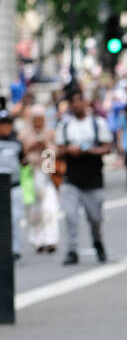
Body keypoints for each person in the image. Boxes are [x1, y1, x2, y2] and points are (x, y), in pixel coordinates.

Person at [54, 87, 113, 264]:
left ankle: (97, 242)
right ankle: (71, 251)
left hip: (93, 179)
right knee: (70, 216)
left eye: (79, 100)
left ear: (85, 102)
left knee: (95, 218)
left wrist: (88, 150)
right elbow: (56, 151)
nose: (77, 105)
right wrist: (68, 150)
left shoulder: (97, 123)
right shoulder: (64, 125)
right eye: (73, 102)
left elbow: (107, 147)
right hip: (71, 179)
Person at [20, 104, 61, 254]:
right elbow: (21, 155)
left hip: (46, 174)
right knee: (34, 212)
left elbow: (53, 153)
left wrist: (44, 145)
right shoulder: (24, 134)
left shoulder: (49, 132)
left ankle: (51, 239)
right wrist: (31, 147)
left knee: (49, 209)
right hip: (31, 176)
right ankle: (38, 240)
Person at [0, 111, 23, 261]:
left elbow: (24, 160)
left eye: (9, 124)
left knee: (15, 219)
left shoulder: (17, 142)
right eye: (3, 124)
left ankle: (14, 249)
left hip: (14, 186)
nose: (6, 127)